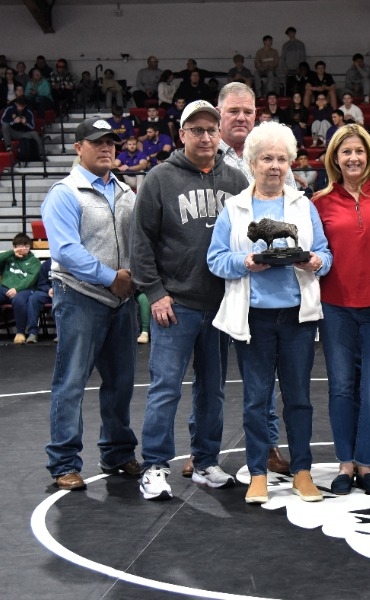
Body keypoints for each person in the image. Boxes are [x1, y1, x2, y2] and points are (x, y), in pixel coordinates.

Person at [207, 121, 332, 504]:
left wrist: (313, 262)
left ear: (291, 163)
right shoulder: (235, 208)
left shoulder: (304, 205)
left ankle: (303, 471)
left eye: (281, 158)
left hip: (296, 318)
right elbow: (215, 259)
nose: (274, 166)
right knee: (256, 399)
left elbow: (326, 255)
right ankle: (258, 471)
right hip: (254, 320)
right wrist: (245, 261)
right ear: (251, 162)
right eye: (266, 158)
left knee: (298, 398)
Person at [131, 100, 249, 501]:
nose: (205, 136)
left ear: (220, 135)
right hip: (175, 305)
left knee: (212, 389)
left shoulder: (235, 181)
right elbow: (141, 242)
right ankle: (155, 466)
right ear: (181, 134)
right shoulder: (159, 179)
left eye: (211, 130)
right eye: (196, 130)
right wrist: (155, 293)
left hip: (220, 304)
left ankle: (205, 462)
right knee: (166, 387)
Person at [40, 118, 139, 491]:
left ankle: (116, 452)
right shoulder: (65, 193)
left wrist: (131, 276)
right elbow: (65, 250)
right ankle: (64, 462)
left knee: (121, 383)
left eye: (111, 142)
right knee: (71, 382)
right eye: (97, 142)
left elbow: (138, 243)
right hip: (80, 296)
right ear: (78, 147)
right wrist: (112, 277)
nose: (106, 148)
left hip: (121, 299)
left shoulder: (126, 193)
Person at [313, 124, 370, 495]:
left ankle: (366, 464)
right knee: (341, 388)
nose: (353, 158)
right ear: (335, 157)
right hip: (335, 307)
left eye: (360, 151)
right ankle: (345, 464)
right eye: (345, 151)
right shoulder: (318, 202)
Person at [0, 233, 40, 345]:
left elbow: (30, 279)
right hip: (4, 288)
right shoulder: (9, 258)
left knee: (19, 300)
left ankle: (20, 332)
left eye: (26, 246)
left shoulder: (34, 261)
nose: (23, 248)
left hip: (25, 290)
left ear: (29, 247)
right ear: (14, 247)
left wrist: (17, 289)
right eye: (20, 246)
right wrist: (11, 253)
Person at [23, 258, 53, 344]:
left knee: (61, 300)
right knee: (33, 298)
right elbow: (41, 283)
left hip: (63, 292)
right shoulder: (46, 264)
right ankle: (33, 333)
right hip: (48, 292)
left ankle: (61, 333)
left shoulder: (67, 263)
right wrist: (48, 289)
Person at [281, 27, 307, 95]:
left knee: (300, 86)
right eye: (289, 33)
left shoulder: (300, 44)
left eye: (292, 32)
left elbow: (303, 57)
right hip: (289, 70)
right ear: (287, 34)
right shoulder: (285, 45)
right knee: (289, 86)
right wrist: (285, 69)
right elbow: (283, 58)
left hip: (299, 70)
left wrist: (301, 69)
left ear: (295, 33)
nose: (291, 34)